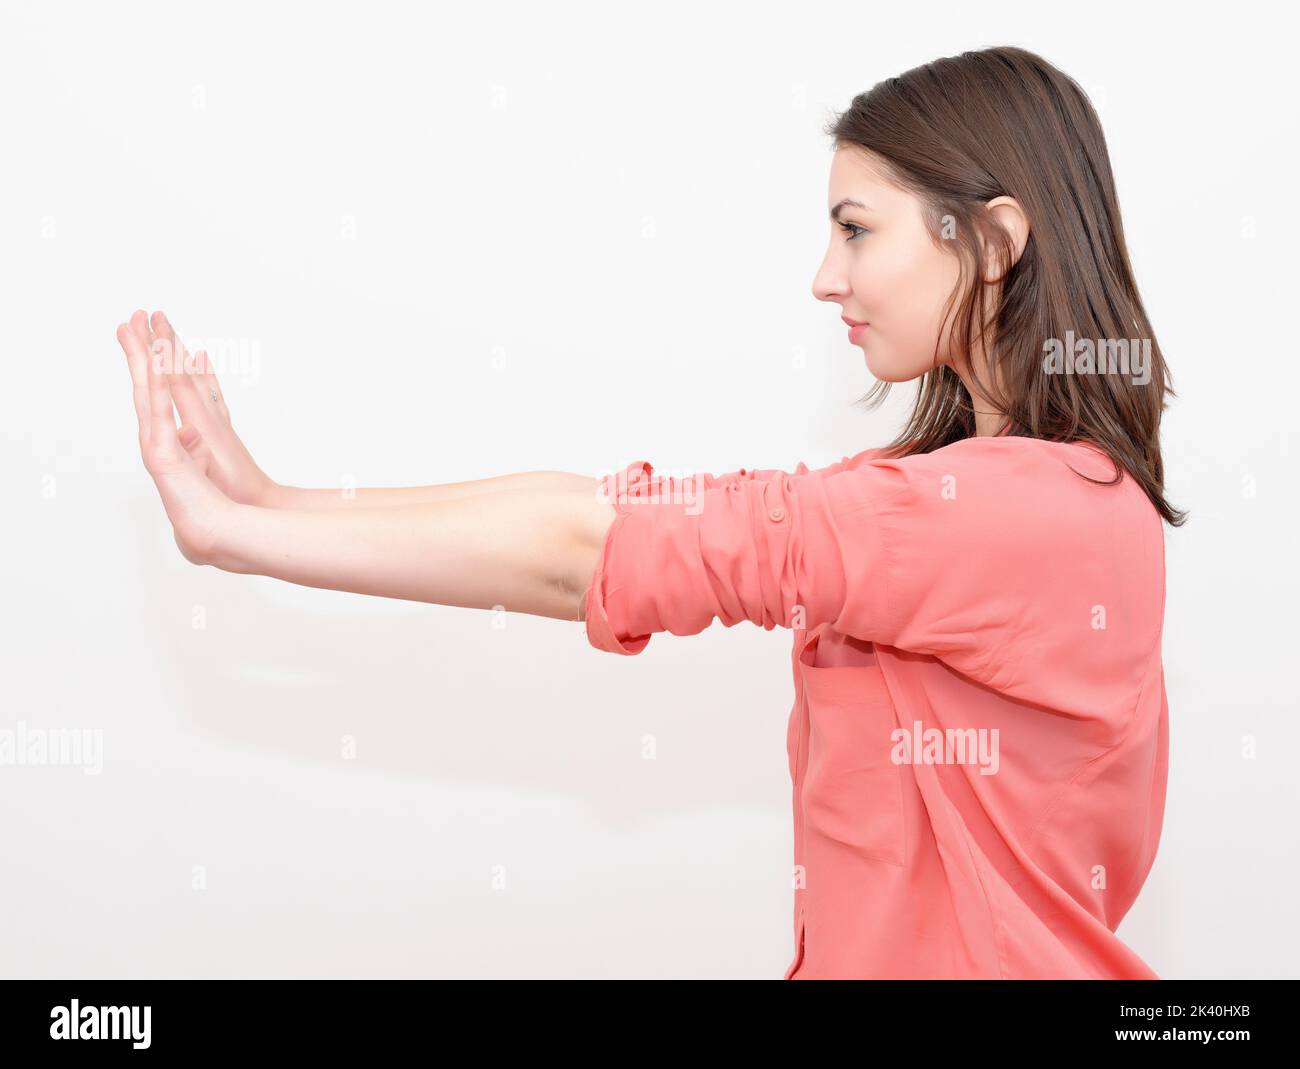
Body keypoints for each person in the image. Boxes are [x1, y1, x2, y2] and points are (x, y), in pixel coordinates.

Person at [115, 45, 1181, 979]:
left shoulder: (1018, 513)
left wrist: (241, 535)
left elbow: (590, 548)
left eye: (856, 229)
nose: (825, 277)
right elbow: (611, 515)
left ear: (991, 242)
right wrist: (268, 500)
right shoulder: (992, 499)